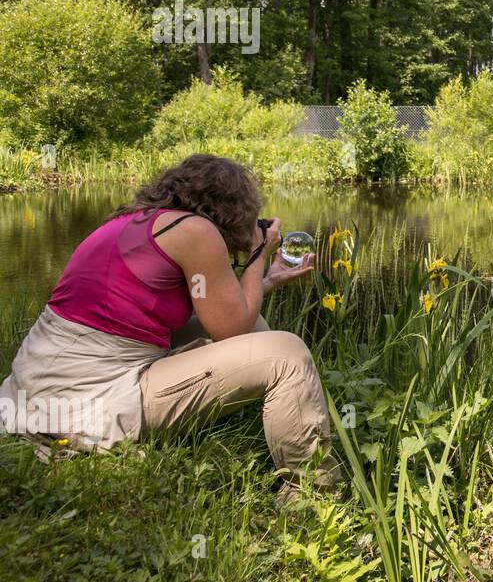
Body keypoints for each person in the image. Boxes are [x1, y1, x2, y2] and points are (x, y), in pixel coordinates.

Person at [0, 154, 339, 487]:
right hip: (90, 394)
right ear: (232, 208)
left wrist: (267, 281)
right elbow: (229, 327)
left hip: (45, 384)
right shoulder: (196, 231)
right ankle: (311, 491)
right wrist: (256, 253)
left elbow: (219, 312)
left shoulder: (137, 222)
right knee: (286, 355)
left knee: (256, 328)